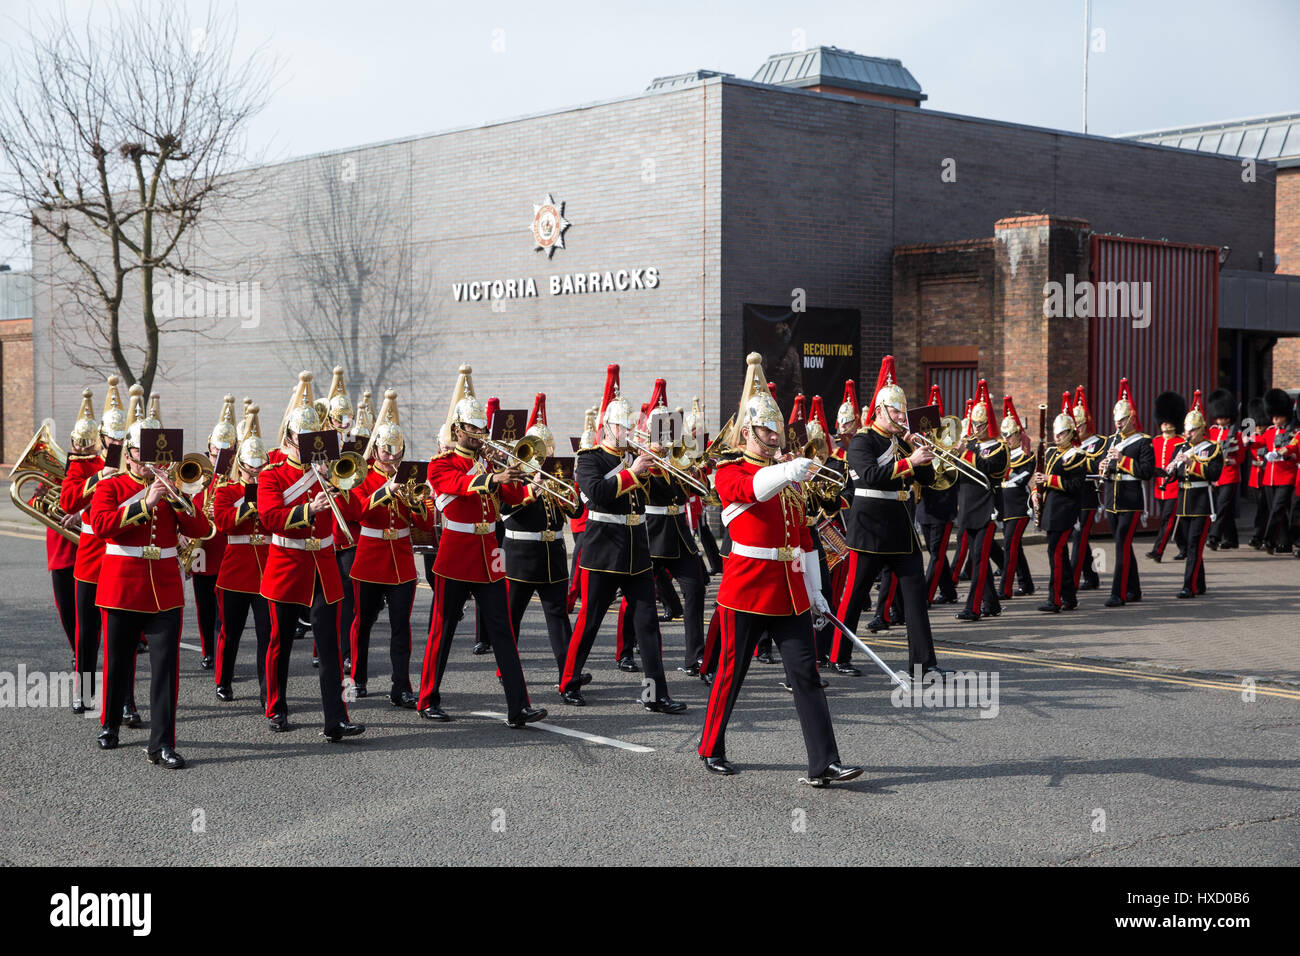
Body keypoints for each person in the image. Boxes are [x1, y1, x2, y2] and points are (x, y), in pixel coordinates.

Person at [698, 351, 861, 785]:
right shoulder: (729, 470)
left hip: (789, 591)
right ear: (748, 431)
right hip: (747, 589)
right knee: (732, 673)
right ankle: (711, 745)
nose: (774, 437)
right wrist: (789, 469)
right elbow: (753, 490)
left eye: (776, 430)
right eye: (766, 430)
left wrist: (817, 593)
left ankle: (823, 763)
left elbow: (805, 539)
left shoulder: (786, 478)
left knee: (807, 676)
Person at [416, 365, 548, 727]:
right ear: (458, 429)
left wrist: (531, 487)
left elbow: (509, 495)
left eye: (482, 429)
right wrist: (493, 475)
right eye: (473, 429)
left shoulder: (488, 461)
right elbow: (459, 485)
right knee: (443, 629)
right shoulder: (440, 464)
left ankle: (518, 706)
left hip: (489, 553)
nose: (479, 435)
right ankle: (428, 699)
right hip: (456, 553)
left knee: (502, 629)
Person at [89, 405, 213, 767]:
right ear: (128, 454)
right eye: (144, 455)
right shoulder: (111, 485)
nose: (151, 463)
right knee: (118, 662)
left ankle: (162, 744)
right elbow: (101, 525)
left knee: (166, 669)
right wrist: (146, 501)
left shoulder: (170, 487)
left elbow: (200, 529)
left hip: (164, 588)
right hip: (122, 584)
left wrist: (180, 496)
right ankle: (110, 722)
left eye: (157, 456)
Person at [558, 364, 685, 713]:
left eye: (632, 427)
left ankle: (654, 693)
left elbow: (666, 490)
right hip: (603, 549)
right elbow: (597, 493)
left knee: (646, 625)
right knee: (590, 619)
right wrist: (633, 471)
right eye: (624, 427)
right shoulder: (590, 459)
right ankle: (568, 681)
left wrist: (663, 461)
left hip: (636, 550)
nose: (629, 432)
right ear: (609, 428)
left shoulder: (638, 458)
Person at [257, 371, 364, 741]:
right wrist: (309, 510)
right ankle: (276, 706)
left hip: (323, 565)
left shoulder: (325, 469)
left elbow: (352, 506)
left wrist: (333, 482)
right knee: (280, 642)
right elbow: (270, 517)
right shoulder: (272, 474)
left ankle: (336, 718)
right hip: (287, 565)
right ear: (289, 438)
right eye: (302, 441)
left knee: (331, 647)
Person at [836, 356, 945, 677]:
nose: (901, 417)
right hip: (869, 526)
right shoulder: (862, 440)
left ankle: (924, 664)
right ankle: (837, 655)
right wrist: (910, 460)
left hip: (900, 527)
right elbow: (869, 475)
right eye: (895, 411)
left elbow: (927, 482)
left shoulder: (903, 442)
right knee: (854, 597)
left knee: (915, 598)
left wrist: (923, 457)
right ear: (880, 411)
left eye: (902, 411)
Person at [347, 390, 436, 707]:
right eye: (387, 454)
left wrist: (419, 503)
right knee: (363, 623)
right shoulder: (363, 477)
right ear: (377, 453)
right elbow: (358, 512)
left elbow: (424, 523)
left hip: (400, 560)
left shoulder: (410, 478)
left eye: (397, 454)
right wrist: (388, 490)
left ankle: (401, 685)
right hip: (370, 557)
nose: (392, 460)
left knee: (401, 626)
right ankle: (356, 680)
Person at [63, 377, 139, 723]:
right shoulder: (83, 463)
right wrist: (99, 477)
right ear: (102, 438)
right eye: (112, 439)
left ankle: (126, 699)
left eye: (123, 439)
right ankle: (84, 691)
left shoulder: (137, 467)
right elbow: (67, 499)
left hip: (122, 558)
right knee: (88, 631)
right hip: (92, 556)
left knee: (122, 639)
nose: (117, 444)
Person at [213, 404, 272, 703]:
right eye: (252, 469)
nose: (257, 475)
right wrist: (246, 507)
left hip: (267, 569)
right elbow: (222, 523)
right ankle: (223, 679)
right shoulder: (226, 490)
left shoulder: (272, 488)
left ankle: (267, 690)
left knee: (267, 634)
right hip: (236, 569)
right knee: (230, 631)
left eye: (261, 469)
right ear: (242, 465)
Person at [953, 381, 1010, 622]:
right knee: (980, 558)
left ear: (990, 424)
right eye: (974, 423)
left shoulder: (999, 447)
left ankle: (973, 607)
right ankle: (991, 603)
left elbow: (992, 470)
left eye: (981, 424)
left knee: (978, 558)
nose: (976, 428)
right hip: (967, 508)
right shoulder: (971, 447)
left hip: (987, 509)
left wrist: (965, 452)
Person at [188, 395, 238, 669]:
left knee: (226, 609)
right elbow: (186, 508)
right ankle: (209, 649)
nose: (220, 457)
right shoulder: (196, 475)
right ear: (209, 449)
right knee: (204, 605)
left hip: (228, 548)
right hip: (202, 548)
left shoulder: (236, 478)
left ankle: (221, 656)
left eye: (226, 453)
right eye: (216, 451)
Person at [1097, 378, 1155, 607]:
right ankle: (1134, 588)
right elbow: (1105, 465)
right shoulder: (1111, 440)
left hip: (1131, 500)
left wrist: (1123, 460)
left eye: (1122, 419)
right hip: (1112, 498)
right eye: (1116, 420)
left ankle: (1118, 593)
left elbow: (1146, 471)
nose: (1118, 423)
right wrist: (1103, 465)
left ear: (1131, 418)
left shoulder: (1143, 442)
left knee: (1121, 544)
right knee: (1124, 544)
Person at [1030, 411, 1085, 612]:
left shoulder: (1077, 455)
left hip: (1065, 510)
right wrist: (1037, 490)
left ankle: (1054, 599)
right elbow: (1041, 477)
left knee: (1055, 553)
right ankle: (1069, 596)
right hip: (1051, 509)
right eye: (1056, 433)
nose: (1057, 437)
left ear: (1071, 433)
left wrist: (1049, 480)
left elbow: (1076, 485)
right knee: (1059, 554)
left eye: (1062, 433)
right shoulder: (1052, 452)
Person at [1167, 404, 1224, 597]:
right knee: (1189, 544)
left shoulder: (1212, 448)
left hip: (1201, 502)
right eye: (1186, 430)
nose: (1188, 433)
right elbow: (1176, 476)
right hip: (1184, 502)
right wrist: (1171, 469)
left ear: (1201, 430)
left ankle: (1188, 587)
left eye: (1192, 430)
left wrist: (1191, 463)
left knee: (1194, 544)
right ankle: (1200, 584)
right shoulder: (1180, 448)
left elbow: (1214, 473)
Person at [915, 384, 960, 608]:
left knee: (937, 554)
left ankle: (926, 594)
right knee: (934, 551)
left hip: (943, 509)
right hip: (926, 507)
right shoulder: (923, 448)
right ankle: (949, 592)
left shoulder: (951, 453)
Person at [1248, 389, 1298, 555]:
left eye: (1278, 416)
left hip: (1286, 477)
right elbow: (1259, 442)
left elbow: (1292, 448)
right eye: (1273, 416)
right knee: (1277, 511)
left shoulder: (1293, 432)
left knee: (1277, 509)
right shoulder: (1270, 431)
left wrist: (1281, 452)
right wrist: (1247, 440)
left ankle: (1268, 539)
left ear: (1285, 414)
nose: (1274, 420)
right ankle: (1284, 543)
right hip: (1269, 478)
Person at [997, 396, 1035, 600]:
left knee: (1010, 547)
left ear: (1018, 435)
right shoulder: (1003, 453)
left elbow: (1022, 478)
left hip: (1019, 506)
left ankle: (1005, 587)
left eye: (1009, 435)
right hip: (1004, 507)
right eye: (1003, 435)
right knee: (1015, 547)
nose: (1006, 439)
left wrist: (1003, 472)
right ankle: (1026, 583)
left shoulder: (1026, 454)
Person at [1147, 391, 1188, 563]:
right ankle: (1184, 548)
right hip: (1159, 487)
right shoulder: (1155, 441)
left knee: (1167, 519)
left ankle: (1158, 551)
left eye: (1168, 420)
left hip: (1174, 488)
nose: (1164, 424)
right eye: (1162, 421)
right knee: (1171, 520)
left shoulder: (1181, 442)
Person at [1070, 387, 1104, 591]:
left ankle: (1071, 581)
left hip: (1088, 495)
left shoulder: (1099, 442)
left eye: (1080, 425)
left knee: (1080, 537)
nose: (1077, 429)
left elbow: (1096, 465)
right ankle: (1091, 577)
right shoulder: (1069, 444)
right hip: (1072, 495)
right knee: (1078, 537)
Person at [1205, 389, 1244, 550]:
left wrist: (1230, 460)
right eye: (1219, 417)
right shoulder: (1211, 432)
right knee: (1224, 509)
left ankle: (1214, 537)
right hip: (1215, 476)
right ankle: (1232, 539)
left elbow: (1241, 457)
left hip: (1230, 475)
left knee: (1221, 506)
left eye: (1224, 417)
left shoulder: (1236, 433)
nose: (1221, 420)